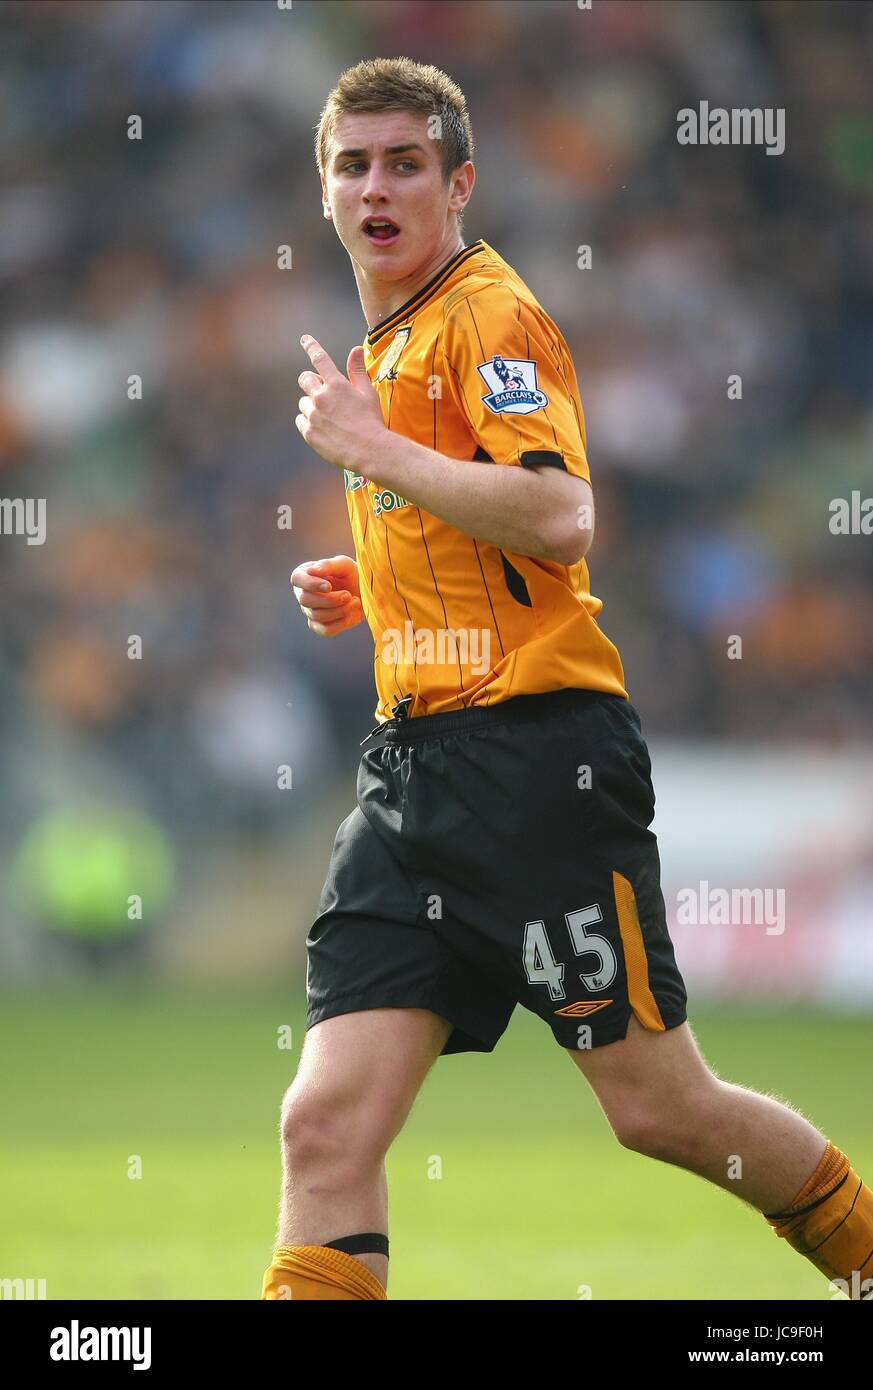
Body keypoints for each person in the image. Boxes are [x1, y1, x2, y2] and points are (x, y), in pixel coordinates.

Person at [261, 57, 873, 1301]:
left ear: (460, 181)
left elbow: (557, 514)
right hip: (411, 778)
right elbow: (477, 533)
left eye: (405, 162)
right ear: (323, 190)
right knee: (323, 1123)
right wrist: (380, 586)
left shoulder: (489, 316)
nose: (376, 187)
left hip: (539, 765)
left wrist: (372, 447)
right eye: (352, 164)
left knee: (660, 1108)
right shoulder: (393, 334)